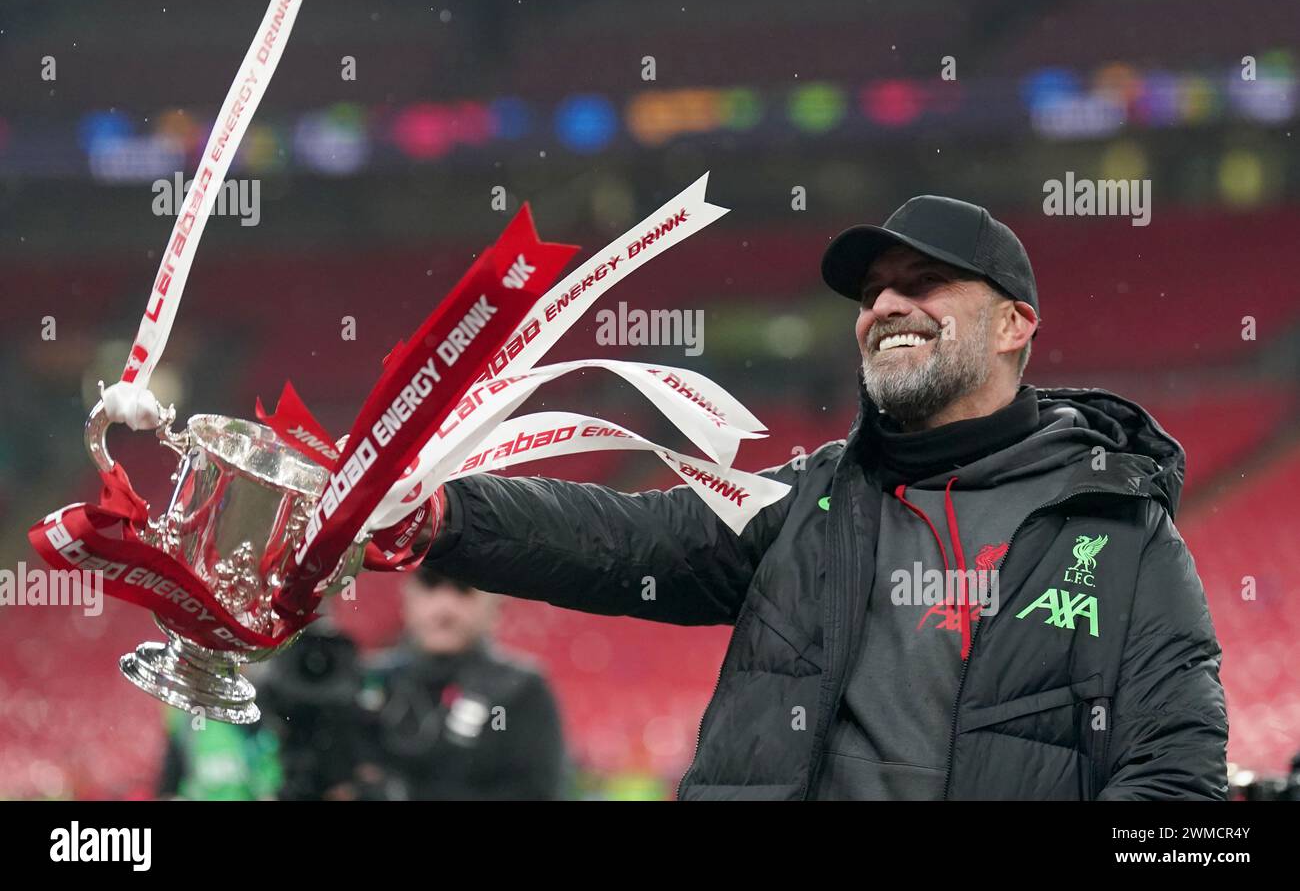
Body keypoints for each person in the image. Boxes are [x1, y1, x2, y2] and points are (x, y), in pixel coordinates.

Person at [397, 195, 1228, 801]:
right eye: (872, 295)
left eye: (925, 281)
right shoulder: (812, 500)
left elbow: (1177, 783)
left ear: (1014, 324)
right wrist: (437, 514)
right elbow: (626, 539)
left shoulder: (1121, 530)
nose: (886, 307)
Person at [358, 567, 568, 800]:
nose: (445, 608)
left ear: (495, 606)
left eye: (463, 589)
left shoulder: (521, 690)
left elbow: (537, 792)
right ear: (407, 597)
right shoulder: (365, 681)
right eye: (430, 585)